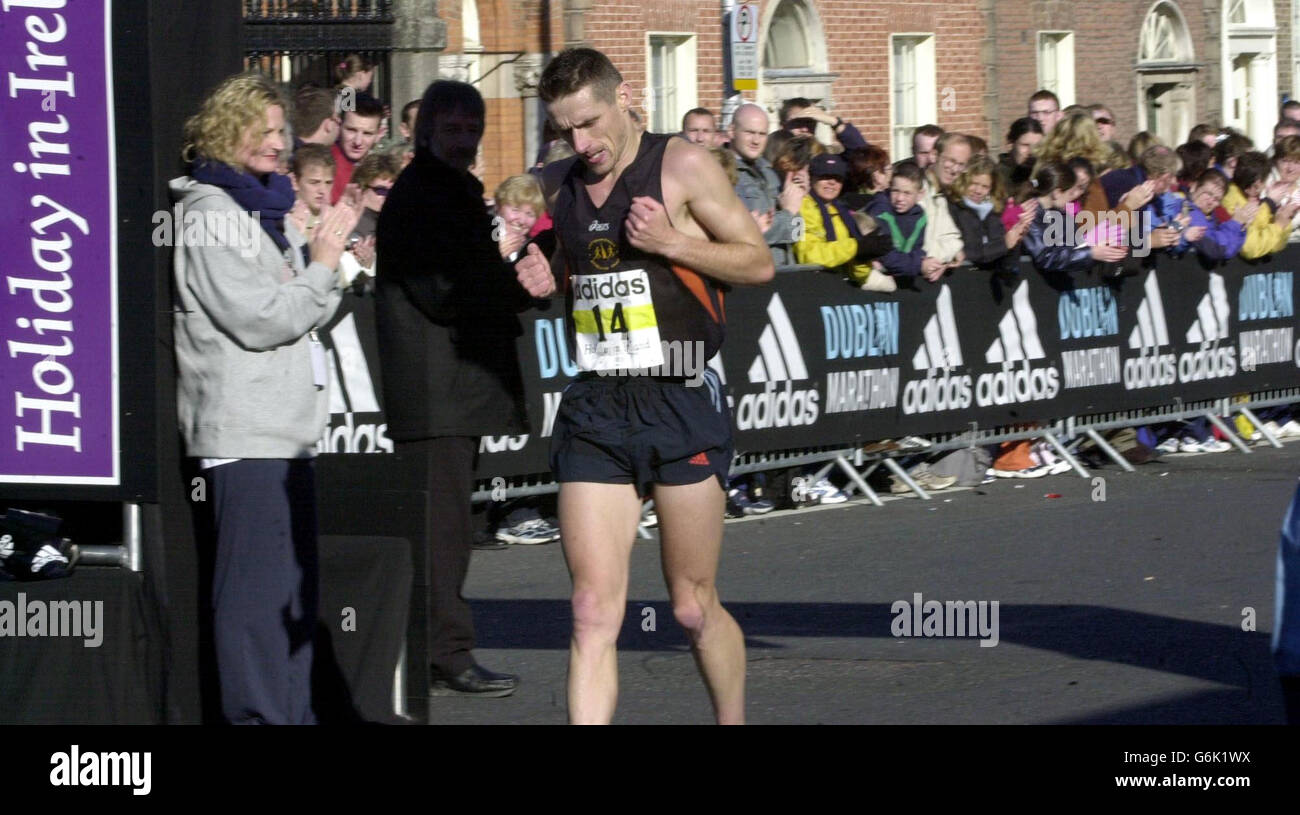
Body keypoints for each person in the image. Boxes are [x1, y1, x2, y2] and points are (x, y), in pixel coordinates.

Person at [538, 47, 773, 724]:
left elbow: (756, 264)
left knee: (693, 604)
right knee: (590, 609)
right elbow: (561, 269)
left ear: (625, 96)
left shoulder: (683, 165)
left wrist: (674, 242)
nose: (582, 143)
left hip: (678, 395)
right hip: (598, 403)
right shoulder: (560, 184)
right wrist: (537, 274)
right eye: (566, 131)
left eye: (590, 123)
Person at [172, 73, 360, 724]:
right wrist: (322, 262)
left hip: (285, 433)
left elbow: (302, 308)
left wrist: (320, 261)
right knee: (255, 608)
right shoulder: (205, 213)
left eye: (283, 130)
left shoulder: (261, 209)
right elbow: (258, 319)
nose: (281, 144)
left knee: (291, 604)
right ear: (230, 128)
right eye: (269, 130)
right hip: (245, 436)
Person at [374, 79, 556, 697]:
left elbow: (459, 285)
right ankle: (444, 651)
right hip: (437, 389)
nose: (464, 141)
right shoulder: (428, 194)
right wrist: (518, 288)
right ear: (426, 132)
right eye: (451, 129)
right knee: (442, 532)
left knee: (443, 528)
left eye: (471, 129)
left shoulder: (445, 191)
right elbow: (446, 293)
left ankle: (432, 649)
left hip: (446, 387)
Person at [793, 152, 894, 287]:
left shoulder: (843, 213)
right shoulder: (799, 208)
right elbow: (806, 256)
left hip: (838, 289)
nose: (832, 182)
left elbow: (858, 275)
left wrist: (863, 256)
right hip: (810, 288)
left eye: (837, 178)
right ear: (813, 178)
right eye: (825, 176)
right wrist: (856, 247)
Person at [729, 102, 803, 266]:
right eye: (750, 132)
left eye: (762, 134)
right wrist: (788, 213)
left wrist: (793, 208)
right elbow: (741, 233)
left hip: (782, 270)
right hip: (749, 273)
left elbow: (797, 231)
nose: (756, 140)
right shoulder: (723, 173)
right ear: (731, 131)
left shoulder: (770, 172)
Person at [948, 155, 1021, 273]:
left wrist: (1016, 240)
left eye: (985, 186)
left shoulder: (994, 210)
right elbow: (969, 252)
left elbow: (1005, 258)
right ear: (963, 181)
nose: (978, 191)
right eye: (973, 183)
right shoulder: (955, 208)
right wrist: (1004, 244)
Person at [864, 161, 934, 281]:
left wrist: (922, 260)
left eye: (907, 193)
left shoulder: (920, 216)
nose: (900, 198)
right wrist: (918, 265)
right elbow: (882, 254)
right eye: (895, 191)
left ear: (920, 195)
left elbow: (917, 248)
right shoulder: (879, 211)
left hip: (903, 277)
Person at [330, 95, 385, 204]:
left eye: (367, 133)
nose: (358, 142)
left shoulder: (382, 166)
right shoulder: (323, 165)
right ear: (338, 125)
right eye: (351, 130)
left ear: (379, 134)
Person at [779, 97, 867, 151]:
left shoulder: (825, 158)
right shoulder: (771, 158)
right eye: (797, 123)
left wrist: (835, 123)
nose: (805, 129)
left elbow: (863, 155)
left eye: (809, 123)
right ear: (783, 125)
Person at [997, 117, 1043, 191]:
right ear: (1010, 144)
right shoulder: (997, 178)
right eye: (1025, 145)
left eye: (1038, 146)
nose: (1032, 152)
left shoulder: (1044, 175)